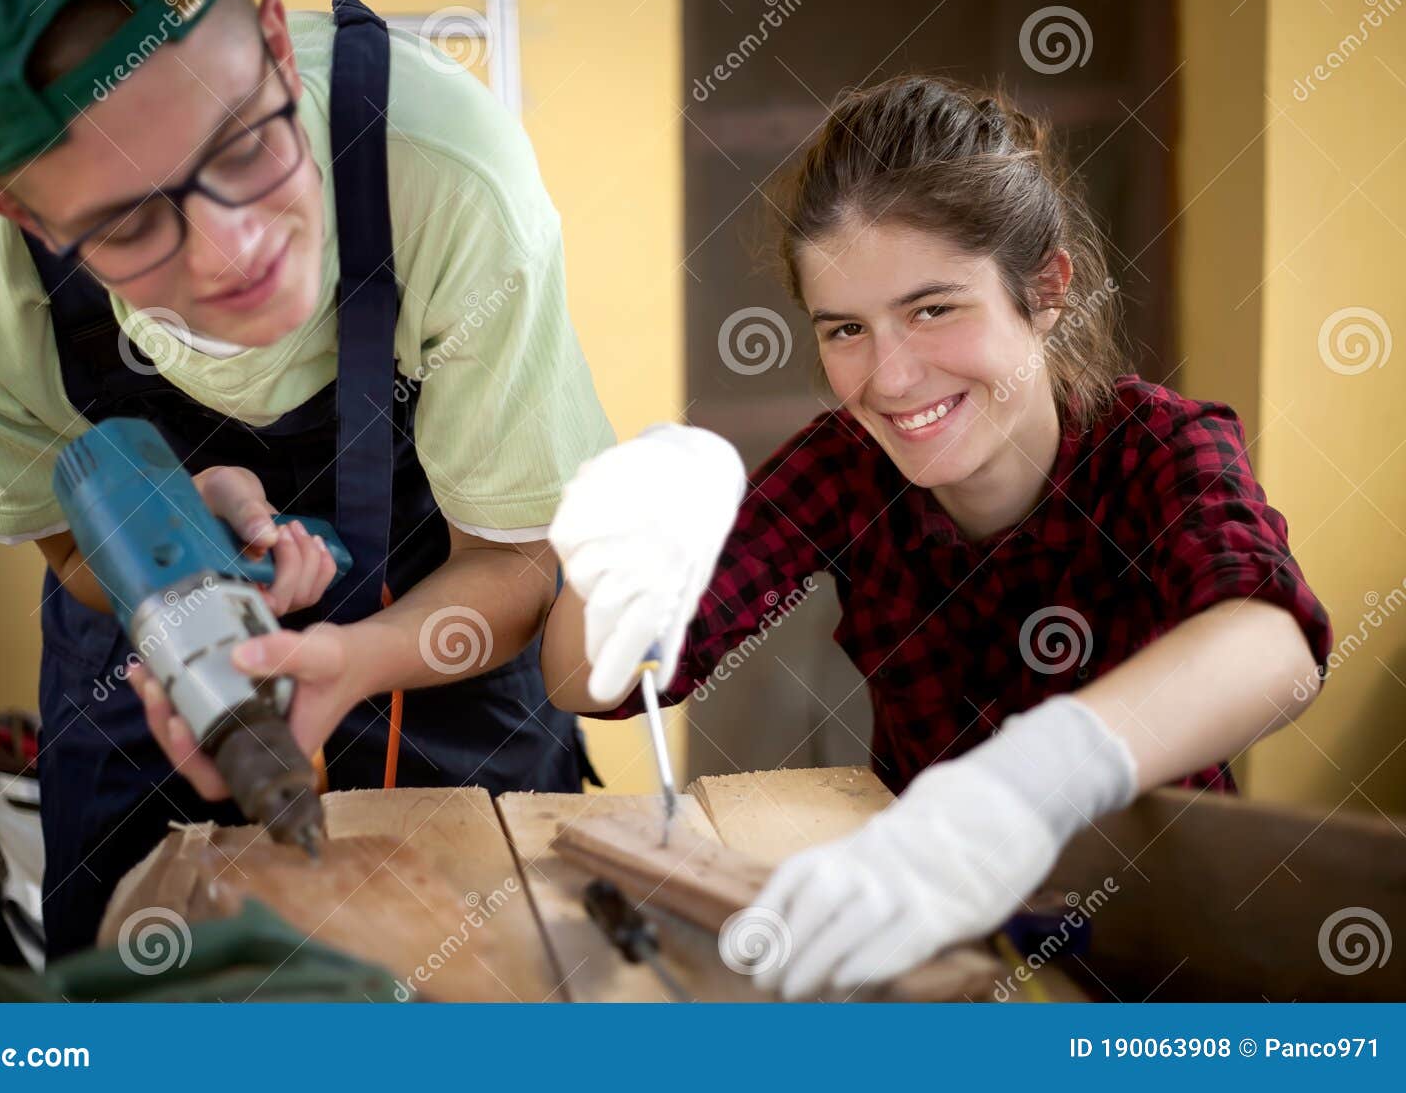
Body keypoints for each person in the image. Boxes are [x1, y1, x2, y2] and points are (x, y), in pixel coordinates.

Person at [0, 0, 613, 956]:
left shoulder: (447, 171)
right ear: (25, 216)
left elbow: (518, 557)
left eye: (242, 146)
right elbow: (70, 545)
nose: (233, 248)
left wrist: (355, 657)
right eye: (131, 222)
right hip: (149, 660)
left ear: (277, 45)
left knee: (493, 972)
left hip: (449, 605)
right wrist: (169, 534)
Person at [542, 75, 1333, 999]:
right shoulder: (844, 468)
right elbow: (596, 683)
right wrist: (620, 545)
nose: (892, 376)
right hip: (938, 962)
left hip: (1161, 965)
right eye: (846, 328)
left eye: (932, 308)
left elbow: (1277, 645)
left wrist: (1016, 793)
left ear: (1045, 289)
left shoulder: (1161, 445)